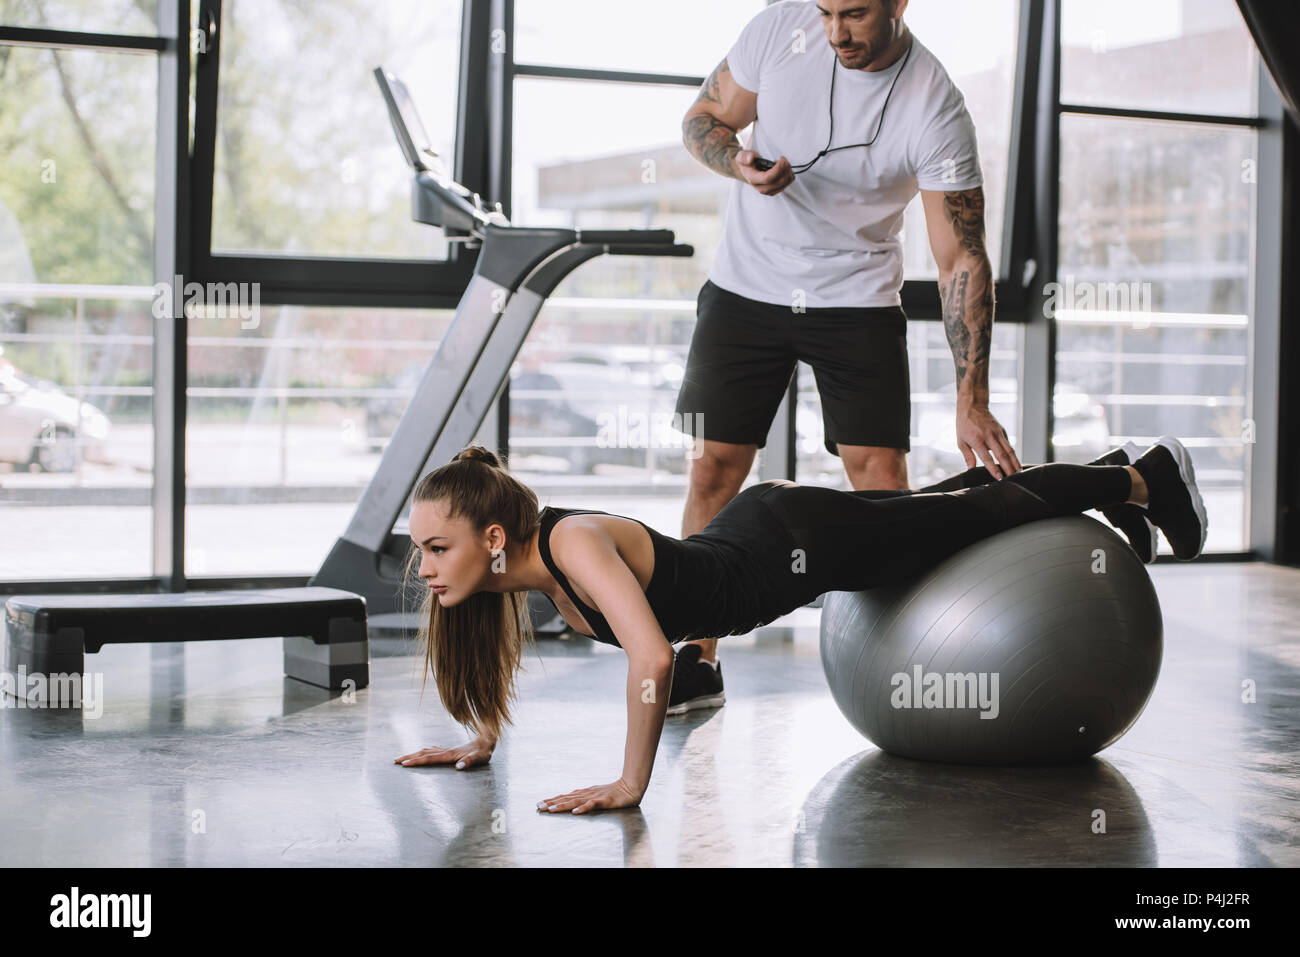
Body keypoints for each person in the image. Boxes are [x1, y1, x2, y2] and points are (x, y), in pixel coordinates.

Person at [672, 0, 1122, 711]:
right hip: (746, 287)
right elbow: (702, 119)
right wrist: (739, 162)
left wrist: (970, 396)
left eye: (853, 14)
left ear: (899, 3)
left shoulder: (933, 103)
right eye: (824, 12)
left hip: (855, 299)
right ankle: (695, 656)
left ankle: (903, 655)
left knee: (881, 482)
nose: (835, 32)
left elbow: (962, 257)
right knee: (713, 467)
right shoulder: (778, 30)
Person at [393, 437, 1207, 815]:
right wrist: (480, 739)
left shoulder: (571, 542)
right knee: (938, 511)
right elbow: (499, 661)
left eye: (436, 547)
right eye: (421, 549)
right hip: (765, 532)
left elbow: (651, 657)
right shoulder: (522, 575)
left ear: (491, 539)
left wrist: (631, 783)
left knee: (968, 514)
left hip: (795, 543)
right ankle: (1106, 470)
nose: (425, 566)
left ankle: (1142, 478)